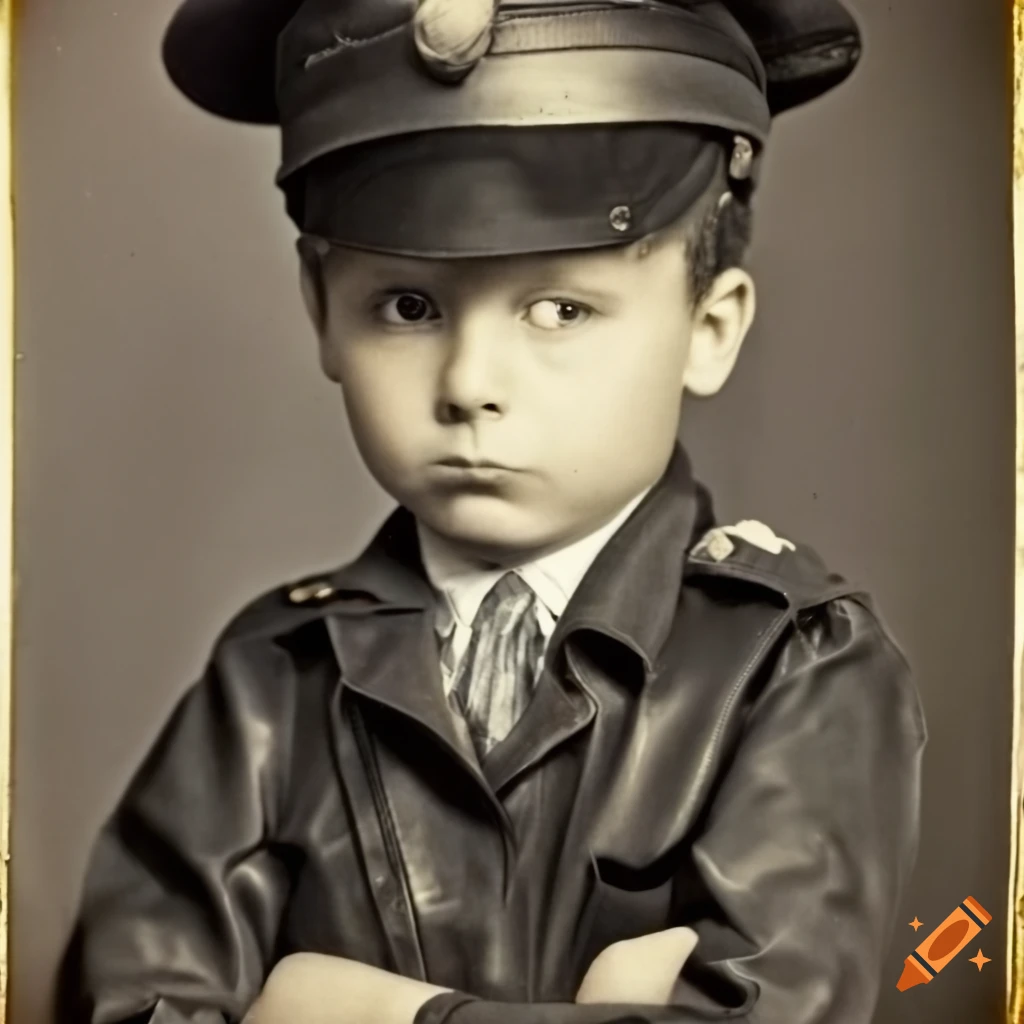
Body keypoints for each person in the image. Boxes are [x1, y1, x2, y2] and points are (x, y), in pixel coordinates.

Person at [58, 1, 928, 1022]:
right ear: (319, 310)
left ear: (709, 326)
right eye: (409, 306)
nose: (470, 381)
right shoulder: (270, 683)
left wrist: (368, 1011)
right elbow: (126, 998)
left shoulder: (794, 665)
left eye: (560, 308)